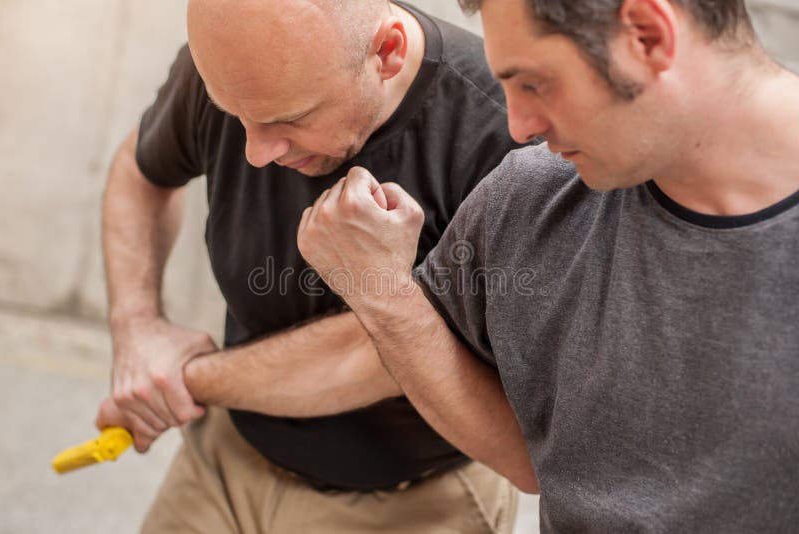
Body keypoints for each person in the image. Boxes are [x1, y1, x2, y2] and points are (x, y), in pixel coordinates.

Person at [296, 0, 799, 532]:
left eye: (534, 83)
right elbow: (527, 460)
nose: (518, 125)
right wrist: (385, 293)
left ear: (647, 36)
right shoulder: (526, 199)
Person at [96, 0, 531, 532]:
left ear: (387, 52)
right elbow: (140, 170)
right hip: (223, 461)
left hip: (410, 503)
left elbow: (371, 353)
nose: (254, 151)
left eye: (288, 119)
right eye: (236, 115)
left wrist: (181, 380)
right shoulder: (239, 68)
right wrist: (137, 328)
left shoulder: (505, 137)